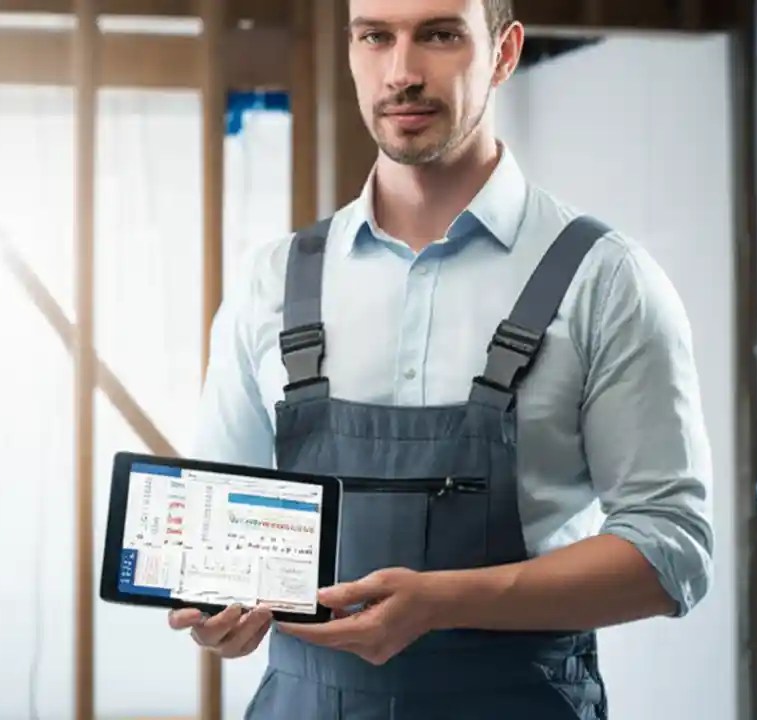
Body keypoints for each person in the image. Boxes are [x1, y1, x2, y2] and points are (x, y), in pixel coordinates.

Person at [167, 0, 714, 717]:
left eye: (440, 35)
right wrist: (217, 612)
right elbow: (220, 531)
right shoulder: (270, 283)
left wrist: (445, 602)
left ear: (504, 52)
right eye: (375, 37)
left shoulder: (604, 281)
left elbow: (671, 550)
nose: (401, 72)